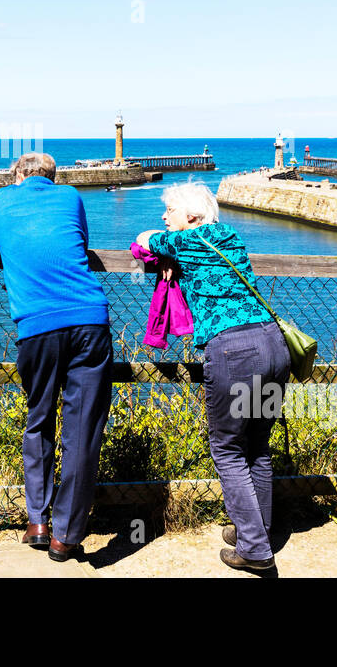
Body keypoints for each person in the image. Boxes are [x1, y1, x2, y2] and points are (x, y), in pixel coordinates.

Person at [136, 180, 289, 574]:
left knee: (229, 450)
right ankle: (258, 530)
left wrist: (165, 241)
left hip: (234, 352)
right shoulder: (230, 236)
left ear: (190, 217)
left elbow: (142, 241)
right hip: (273, 345)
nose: (163, 217)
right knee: (257, 445)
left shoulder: (186, 241)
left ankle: (254, 550)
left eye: (169, 211)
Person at [0, 152, 113, 562]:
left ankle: (37, 520)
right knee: (82, 430)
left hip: (37, 326)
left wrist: (16, 256)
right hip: (89, 319)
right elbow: (80, 242)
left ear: (17, 176)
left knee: (39, 418)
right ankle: (65, 537)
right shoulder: (70, 196)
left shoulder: (2, 199)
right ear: (54, 176)